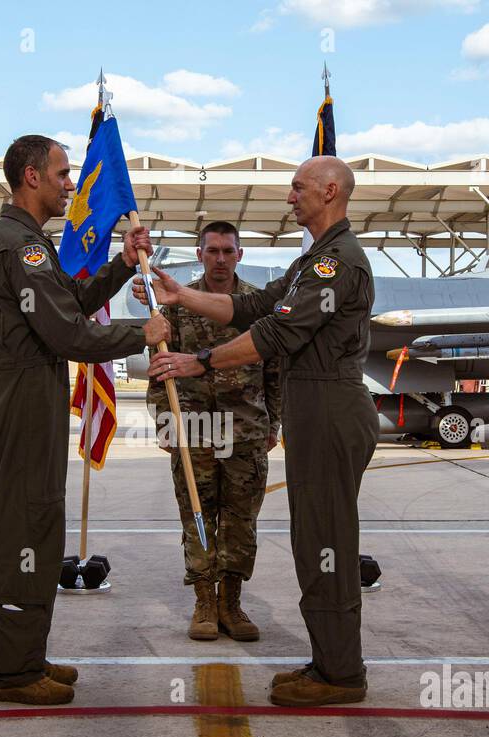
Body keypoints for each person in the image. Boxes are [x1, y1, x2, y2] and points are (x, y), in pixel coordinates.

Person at [144, 156, 377, 706]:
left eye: (298, 188)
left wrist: (201, 360)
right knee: (314, 538)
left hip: (330, 408)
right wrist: (182, 297)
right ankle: (329, 661)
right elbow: (251, 306)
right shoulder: (311, 261)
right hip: (314, 410)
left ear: (330, 190)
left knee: (328, 542)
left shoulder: (336, 261)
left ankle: (340, 673)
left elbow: (276, 330)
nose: (290, 197)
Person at [0, 135, 170, 705]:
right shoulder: (19, 247)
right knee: (22, 532)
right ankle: (10, 672)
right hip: (19, 398)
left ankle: (26, 655)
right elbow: (67, 334)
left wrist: (121, 265)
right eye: (62, 174)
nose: (70, 185)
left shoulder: (26, 242)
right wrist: (141, 332)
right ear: (31, 177)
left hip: (28, 395)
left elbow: (71, 302)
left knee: (39, 526)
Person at [146, 221, 281, 641]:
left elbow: (276, 371)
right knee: (198, 515)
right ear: (200, 254)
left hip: (246, 429)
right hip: (194, 430)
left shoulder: (257, 304)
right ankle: (204, 601)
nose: (220, 259)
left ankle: (231, 602)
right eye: (212, 251)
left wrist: (274, 422)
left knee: (241, 519)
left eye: (228, 251)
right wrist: (163, 420)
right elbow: (159, 369)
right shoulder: (176, 306)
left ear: (239, 255)